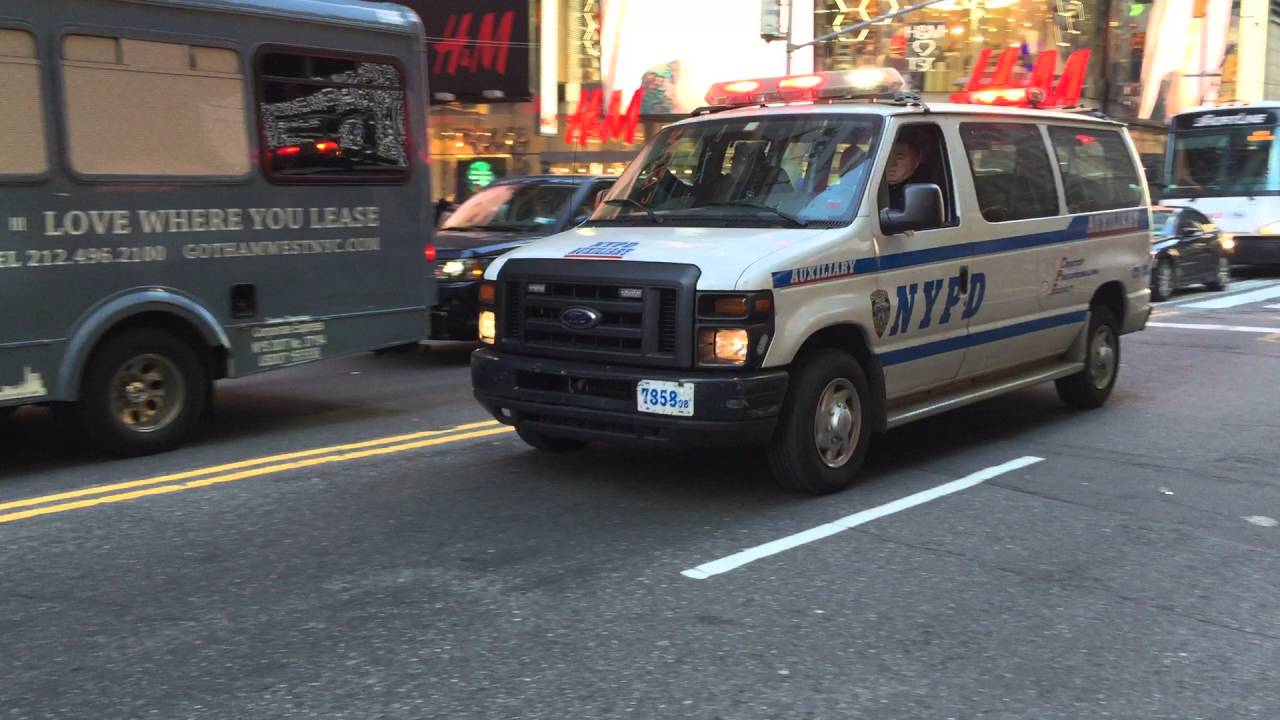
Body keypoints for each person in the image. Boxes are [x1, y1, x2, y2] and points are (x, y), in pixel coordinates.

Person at [882, 136, 922, 211]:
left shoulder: (918, 193)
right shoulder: (871, 186)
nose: (891, 163)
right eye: (887, 157)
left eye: (899, 158)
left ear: (915, 162)